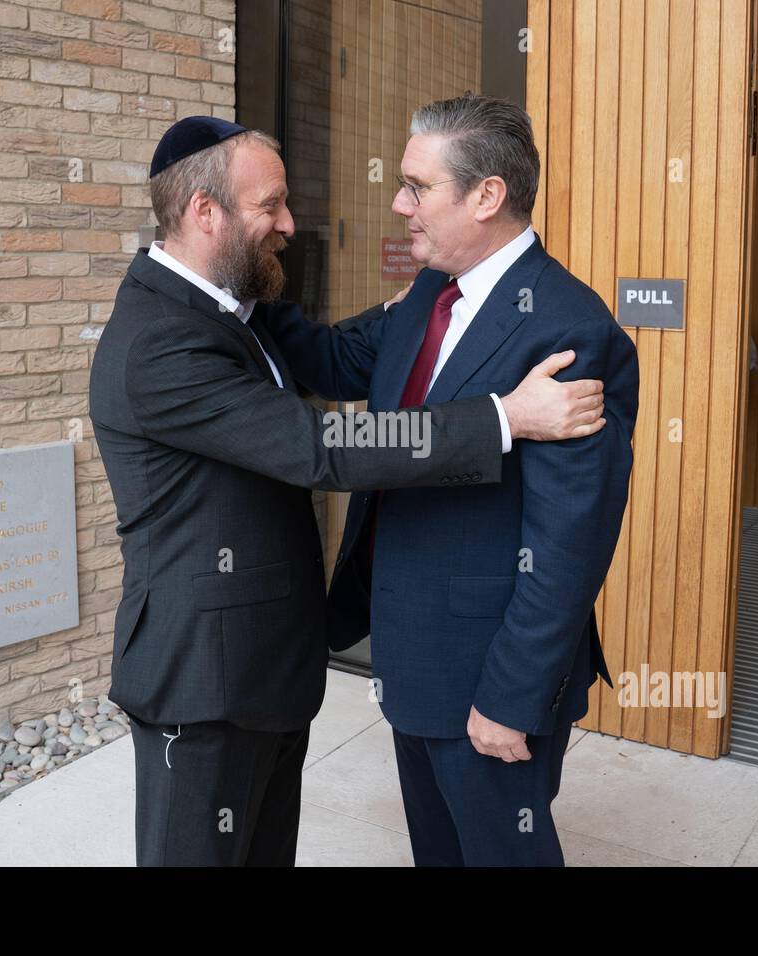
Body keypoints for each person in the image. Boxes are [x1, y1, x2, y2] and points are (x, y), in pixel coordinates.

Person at [87, 115, 608, 866]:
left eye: (416, 187)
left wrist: (424, 317)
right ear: (207, 213)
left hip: (265, 670)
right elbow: (325, 445)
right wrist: (504, 418)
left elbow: (341, 354)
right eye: (271, 206)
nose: (291, 224)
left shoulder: (238, 304)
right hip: (200, 678)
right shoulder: (161, 343)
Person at [265, 93, 639, 866]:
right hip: (410, 654)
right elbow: (337, 360)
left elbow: (569, 547)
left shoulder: (571, 328)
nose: (400, 205)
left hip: (486, 674)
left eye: (417, 187)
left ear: (486, 195)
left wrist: (510, 699)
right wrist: (234, 285)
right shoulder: (431, 291)